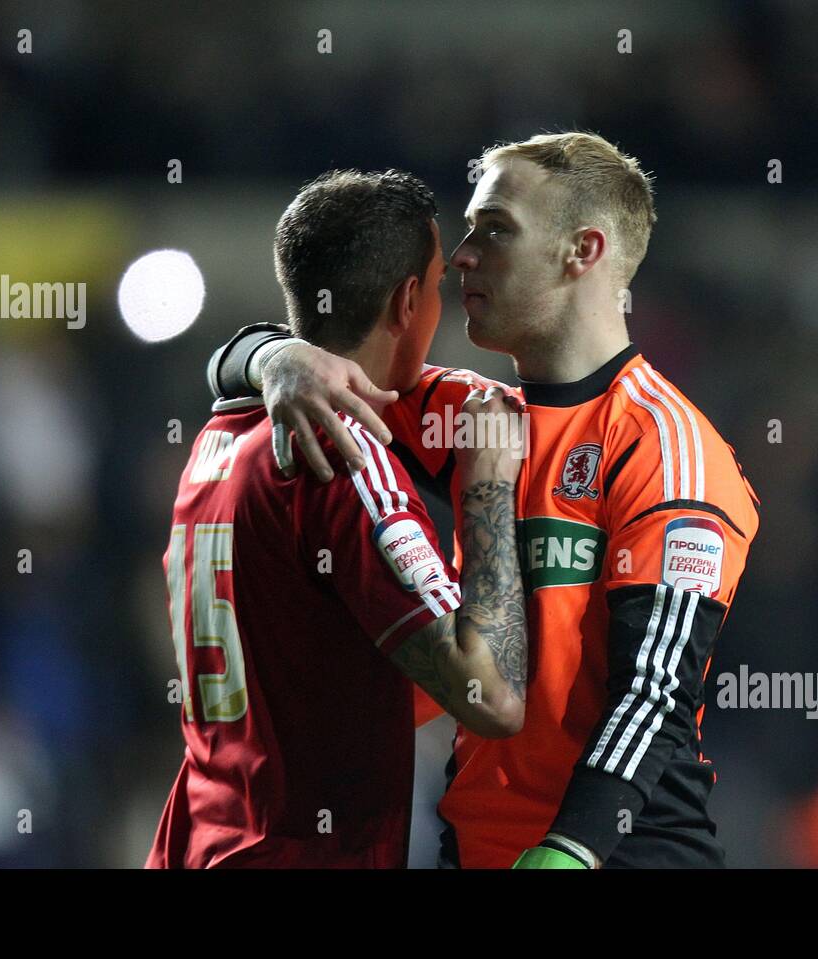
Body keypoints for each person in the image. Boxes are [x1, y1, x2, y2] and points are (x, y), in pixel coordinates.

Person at [208, 133, 760, 868]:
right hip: (469, 847)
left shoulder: (667, 448)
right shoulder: (469, 413)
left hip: (619, 853)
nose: (461, 254)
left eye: (494, 228)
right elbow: (286, 368)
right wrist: (270, 358)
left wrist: (570, 850)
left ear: (582, 251)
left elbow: (653, 695)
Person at [146, 169, 527, 869]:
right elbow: (492, 697)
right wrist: (490, 486)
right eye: (439, 286)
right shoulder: (344, 457)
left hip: (196, 845)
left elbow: (333, 679)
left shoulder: (219, 439)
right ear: (407, 299)